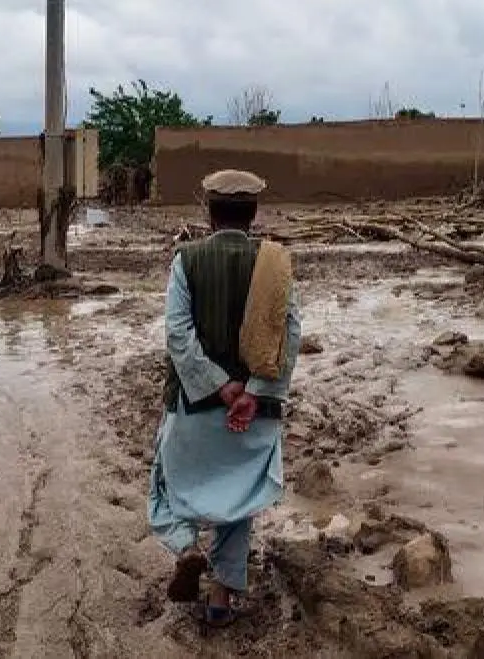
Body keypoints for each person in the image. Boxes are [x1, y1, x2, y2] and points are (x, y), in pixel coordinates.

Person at [147, 169, 302, 627]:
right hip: (253, 414)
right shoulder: (275, 262)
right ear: (253, 214)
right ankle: (219, 599)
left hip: (194, 407)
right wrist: (254, 393)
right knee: (240, 499)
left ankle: (186, 547)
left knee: (163, 482)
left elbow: (178, 334)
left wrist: (217, 385)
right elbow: (289, 335)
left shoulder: (186, 260)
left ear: (209, 214)